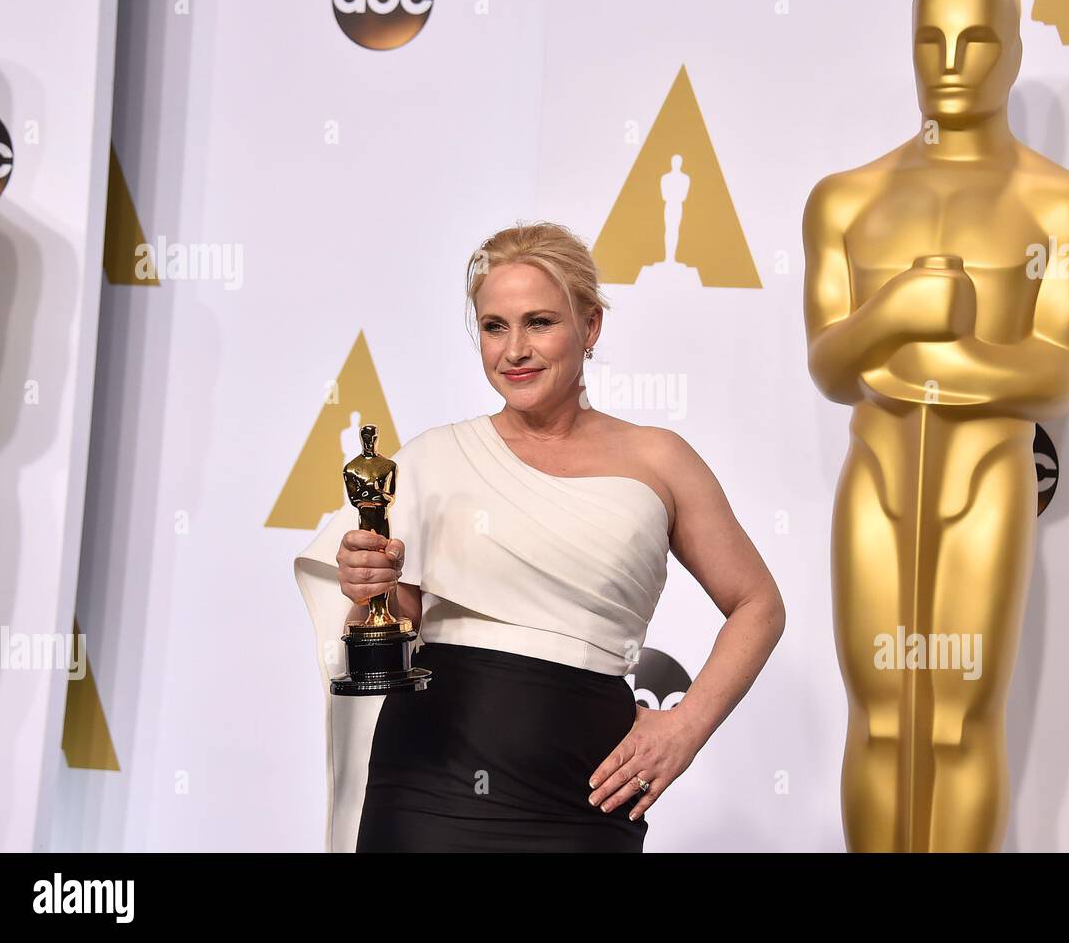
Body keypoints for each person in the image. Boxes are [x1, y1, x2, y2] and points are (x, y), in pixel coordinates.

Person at [294, 221, 785, 852]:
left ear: (591, 326)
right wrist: (368, 591)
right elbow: (391, 634)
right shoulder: (432, 459)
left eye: (540, 323)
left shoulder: (661, 461)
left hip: (586, 793)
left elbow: (758, 603)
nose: (515, 350)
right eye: (494, 327)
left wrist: (685, 727)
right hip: (427, 788)